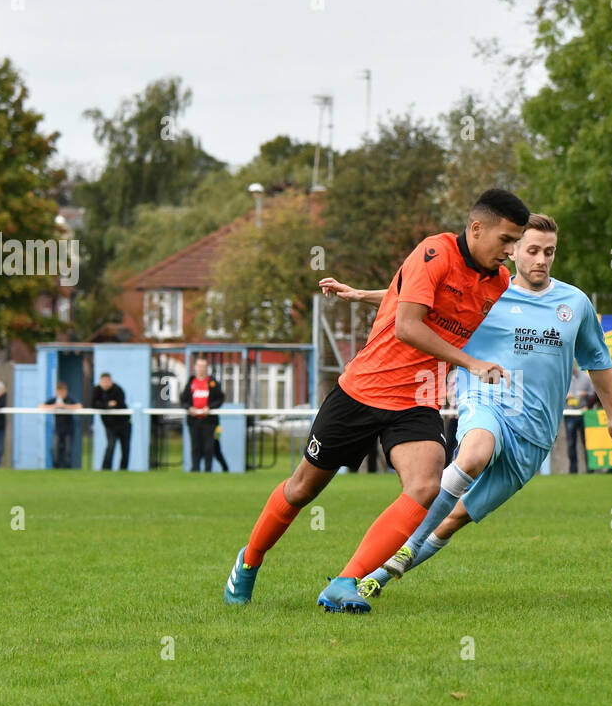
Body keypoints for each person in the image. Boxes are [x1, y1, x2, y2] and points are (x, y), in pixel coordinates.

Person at [223, 189, 529, 614]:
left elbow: (413, 295)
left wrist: (363, 294)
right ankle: (249, 561)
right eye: (506, 240)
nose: (511, 252)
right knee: (300, 490)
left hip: (419, 398)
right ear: (477, 228)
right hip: (362, 392)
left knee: (424, 485)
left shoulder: (497, 283)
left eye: (517, 243)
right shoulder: (434, 252)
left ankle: (345, 582)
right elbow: (407, 324)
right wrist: (471, 363)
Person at [335, 213, 612, 598]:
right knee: (474, 454)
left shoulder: (574, 304)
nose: (541, 259)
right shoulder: (489, 292)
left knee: (454, 519)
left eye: (549, 252)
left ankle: (377, 578)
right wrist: (362, 295)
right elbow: (421, 299)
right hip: (486, 399)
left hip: (535, 436)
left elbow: (598, 361)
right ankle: (389, 555)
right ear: (513, 252)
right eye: (532, 250)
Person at [181, 358, 225, 472]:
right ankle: (195, 469)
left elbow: (220, 398)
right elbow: (183, 399)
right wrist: (189, 408)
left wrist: (209, 407)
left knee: (209, 446)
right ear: (195, 367)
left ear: (206, 368)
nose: (201, 369)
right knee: (195, 446)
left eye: (203, 366)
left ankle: (207, 470)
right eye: (199, 366)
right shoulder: (191, 382)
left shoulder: (212, 382)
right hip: (194, 420)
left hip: (209, 420)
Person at [91, 373, 131, 470]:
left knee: (125, 448)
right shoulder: (97, 390)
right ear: (100, 382)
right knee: (110, 446)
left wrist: (105, 405)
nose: (105, 383)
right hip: (110, 425)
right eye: (103, 381)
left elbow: (120, 404)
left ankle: (123, 470)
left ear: (111, 381)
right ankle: (105, 469)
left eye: (107, 381)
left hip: (124, 423)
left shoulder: (118, 389)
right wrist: (107, 404)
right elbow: (93, 404)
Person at [39, 381, 82, 469]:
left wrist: (65, 406)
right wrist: (54, 406)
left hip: (69, 429)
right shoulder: (54, 400)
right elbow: (41, 406)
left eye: (62, 391)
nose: (60, 394)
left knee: (68, 451)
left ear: (66, 391)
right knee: (55, 450)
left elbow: (79, 406)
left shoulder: (70, 399)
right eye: (58, 392)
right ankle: (56, 467)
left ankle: (67, 468)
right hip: (57, 429)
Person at [565, 364, 597, 473]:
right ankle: (573, 471)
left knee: (587, 442)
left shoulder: (586, 378)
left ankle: (590, 469)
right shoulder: (564, 378)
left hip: (584, 414)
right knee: (571, 444)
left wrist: (585, 394)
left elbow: (594, 394)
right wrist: (565, 396)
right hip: (569, 414)